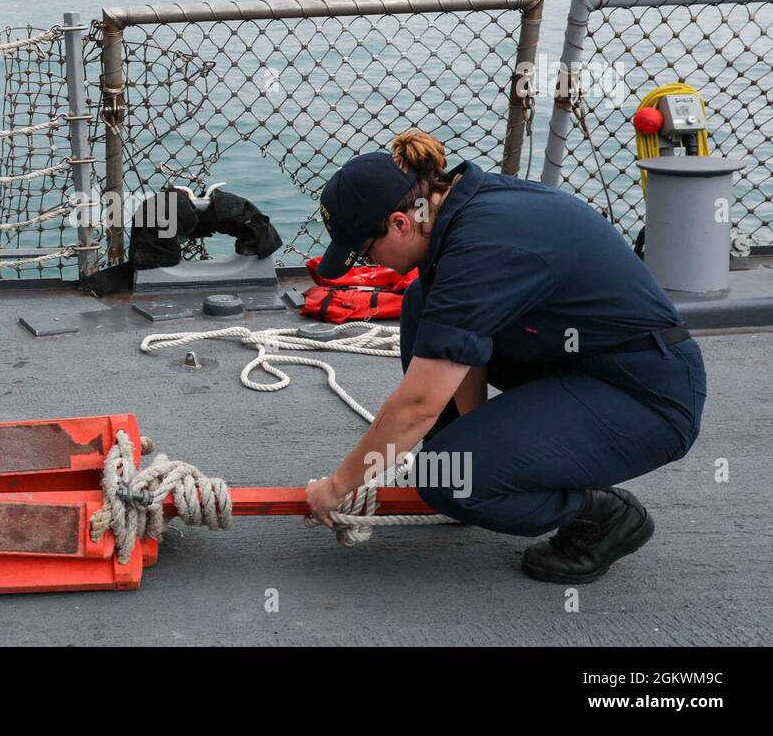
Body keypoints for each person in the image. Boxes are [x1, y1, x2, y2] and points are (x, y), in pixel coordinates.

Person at [303, 131, 706, 583]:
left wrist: (339, 486)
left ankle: (603, 517)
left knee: (444, 477)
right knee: (422, 303)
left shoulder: (483, 246)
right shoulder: (463, 209)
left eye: (366, 251)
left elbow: (418, 405)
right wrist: (479, 441)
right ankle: (475, 472)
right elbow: (466, 333)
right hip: (582, 361)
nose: (367, 264)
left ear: (400, 223)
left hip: (646, 395)